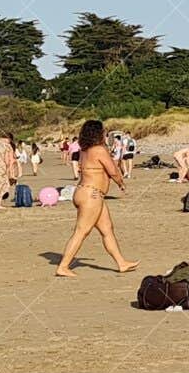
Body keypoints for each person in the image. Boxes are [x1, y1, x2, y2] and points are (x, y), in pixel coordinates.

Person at [55, 119, 138, 278]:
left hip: (86, 192)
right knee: (81, 231)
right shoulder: (99, 150)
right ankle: (63, 266)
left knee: (107, 229)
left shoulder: (85, 150)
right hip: (91, 194)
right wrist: (121, 183)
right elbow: (112, 170)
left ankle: (121, 263)